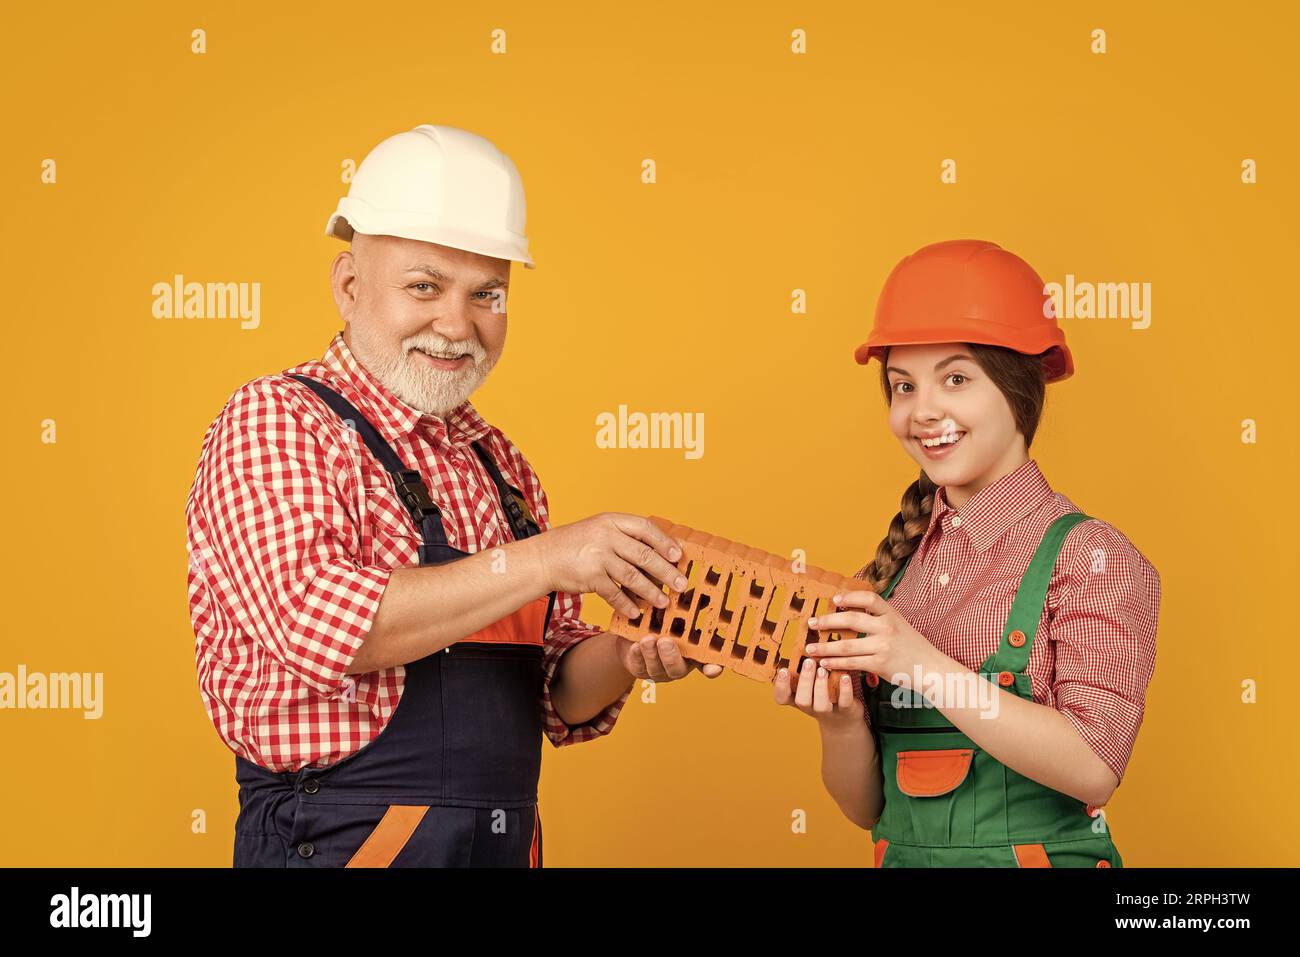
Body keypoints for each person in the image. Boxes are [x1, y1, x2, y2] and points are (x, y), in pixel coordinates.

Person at [185, 124, 720, 868]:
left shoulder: (502, 469)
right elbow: (325, 626)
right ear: (349, 286)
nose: (457, 324)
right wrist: (547, 558)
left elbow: (553, 691)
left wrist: (634, 653)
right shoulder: (280, 422)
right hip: (341, 843)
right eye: (424, 286)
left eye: (487, 294)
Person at [774, 239, 1160, 867]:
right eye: (902, 386)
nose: (923, 412)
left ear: (1019, 387)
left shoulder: (1092, 558)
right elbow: (867, 810)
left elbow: (1095, 767)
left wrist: (919, 663)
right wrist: (838, 722)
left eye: (955, 378)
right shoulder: (897, 572)